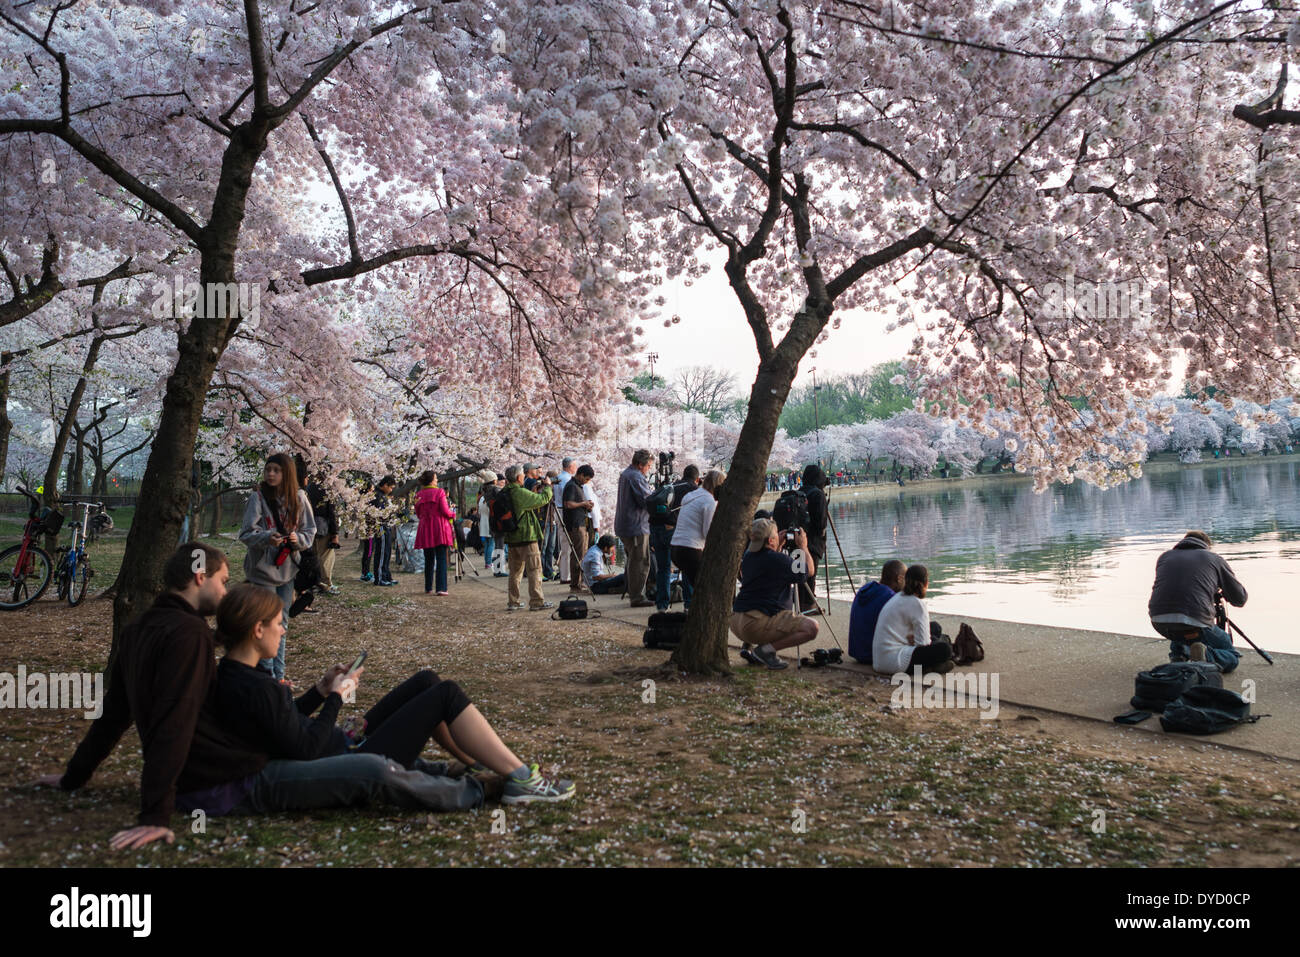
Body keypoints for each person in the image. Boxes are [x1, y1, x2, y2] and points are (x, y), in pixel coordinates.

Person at [212, 583, 575, 806]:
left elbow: (281, 724)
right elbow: (304, 751)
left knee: (427, 680)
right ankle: (522, 778)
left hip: (344, 742)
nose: (283, 633)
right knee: (445, 694)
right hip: (349, 755)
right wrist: (336, 699)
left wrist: (320, 692)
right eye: (279, 625)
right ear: (257, 630)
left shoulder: (241, 676)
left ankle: (482, 765)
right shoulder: (251, 686)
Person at [32, 544, 266, 850]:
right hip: (221, 774)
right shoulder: (188, 634)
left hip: (204, 771)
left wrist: (74, 776)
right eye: (222, 580)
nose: (225, 591)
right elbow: (175, 721)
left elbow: (114, 714)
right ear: (199, 575)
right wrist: (155, 815)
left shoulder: (138, 629)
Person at [239, 452, 317, 680]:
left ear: (287, 473)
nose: (271, 474)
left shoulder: (299, 499)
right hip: (262, 571)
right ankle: (265, 675)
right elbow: (245, 533)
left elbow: (309, 531)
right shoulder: (258, 497)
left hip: (287, 569)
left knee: (281, 624)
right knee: (265, 623)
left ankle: (278, 675)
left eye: (276, 470)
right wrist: (265, 537)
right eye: (268, 470)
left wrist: (297, 541)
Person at [1148, 530, 1245, 672]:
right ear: (1207, 545)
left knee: (1180, 625)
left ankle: (1179, 654)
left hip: (1159, 621)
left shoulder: (1164, 557)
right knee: (1230, 655)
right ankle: (1205, 655)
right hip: (1195, 623)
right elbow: (1240, 599)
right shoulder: (1213, 558)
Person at [730, 518, 819, 670]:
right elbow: (809, 570)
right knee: (811, 627)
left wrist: (777, 546)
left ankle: (756, 650)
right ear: (771, 540)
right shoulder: (777, 560)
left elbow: (769, 565)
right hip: (754, 625)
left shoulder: (748, 557)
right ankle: (764, 651)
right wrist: (803, 547)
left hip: (736, 622)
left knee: (773, 611)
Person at [872, 564, 953, 675]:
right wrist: (917, 641)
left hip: (880, 660)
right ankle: (931, 667)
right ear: (926, 584)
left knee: (934, 628)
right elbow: (923, 644)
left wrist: (914, 639)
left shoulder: (898, 597)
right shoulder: (918, 604)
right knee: (945, 649)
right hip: (895, 661)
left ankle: (932, 665)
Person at [670, 468, 725, 609]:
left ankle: (690, 608)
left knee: (695, 583)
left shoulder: (691, 496)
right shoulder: (709, 502)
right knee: (705, 587)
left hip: (676, 546)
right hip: (691, 549)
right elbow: (708, 533)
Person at [502, 464, 554, 611]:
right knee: (535, 569)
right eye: (522, 476)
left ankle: (513, 601)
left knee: (515, 572)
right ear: (519, 477)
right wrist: (548, 487)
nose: (524, 477)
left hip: (511, 537)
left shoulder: (505, 491)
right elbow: (542, 499)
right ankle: (537, 601)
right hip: (526, 536)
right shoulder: (518, 492)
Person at [649, 463, 700, 610]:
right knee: (686, 566)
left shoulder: (671, 485)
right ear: (696, 479)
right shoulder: (693, 490)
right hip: (672, 529)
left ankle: (662, 606)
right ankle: (688, 604)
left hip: (656, 527)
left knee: (663, 568)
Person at [615, 449, 655, 608]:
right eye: (648, 466)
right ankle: (637, 596)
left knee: (632, 561)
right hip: (636, 525)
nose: (649, 469)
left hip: (625, 524)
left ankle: (633, 592)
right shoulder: (636, 477)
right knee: (640, 562)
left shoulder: (626, 474)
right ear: (640, 465)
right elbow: (646, 500)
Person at [848, 561, 905, 665]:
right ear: (899, 578)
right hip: (875, 656)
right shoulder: (891, 598)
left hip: (857, 653)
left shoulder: (864, 589)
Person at [414, 469, 455, 596]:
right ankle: (441, 587)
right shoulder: (439, 492)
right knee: (441, 557)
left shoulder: (418, 495)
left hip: (425, 526)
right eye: (436, 478)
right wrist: (452, 514)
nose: (437, 480)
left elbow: (418, 513)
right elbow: (445, 510)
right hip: (439, 527)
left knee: (429, 558)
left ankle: (428, 587)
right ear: (432, 480)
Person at [795, 463, 829, 614]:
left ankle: (799, 601)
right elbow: (821, 522)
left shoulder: (799, 492)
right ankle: (808, 605)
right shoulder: (818, 494)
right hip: (813, 540)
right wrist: (822, 535)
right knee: (811, 571)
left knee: (799, 571)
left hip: (797, 537)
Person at [305, 471, 341, 595]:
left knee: (314, 556)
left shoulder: (309, 487)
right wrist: (335, 533)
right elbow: (332, 512)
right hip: (323, 527)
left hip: (309, 526)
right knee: (326, 557)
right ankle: (326, 584)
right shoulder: (328, 489)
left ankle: (314, 583)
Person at [562, 464, 597, 593]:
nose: (587, 482)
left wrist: (587, 505)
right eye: (586, 479)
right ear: (581, 475)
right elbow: (568, 504)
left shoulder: (578, 486)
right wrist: (584, 503)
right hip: (575, 525)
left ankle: (579, 582)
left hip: (581, 523)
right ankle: (575, 584)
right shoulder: (571, 486)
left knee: (582, 554)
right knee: (578, 555)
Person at [369, 475, 399, 587]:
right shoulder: (377, 495)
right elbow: (378, 513)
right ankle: (380, 577)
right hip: (380, 526)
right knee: (381, 553)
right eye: (390, 487)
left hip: (386, 525)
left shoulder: (383, 496)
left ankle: (386, 576)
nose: (391, 490)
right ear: (385, 485)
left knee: (387, 552)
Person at [555, 458, 578, 584]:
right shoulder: (567, 479)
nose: (576, 468)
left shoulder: (558, 478)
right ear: (570, 467)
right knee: (567, 545)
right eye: (575, 465)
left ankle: (565, 574)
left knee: (564, 544)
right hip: (564, 511)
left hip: (559, 510)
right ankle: (566, 575)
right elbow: (567, 496)